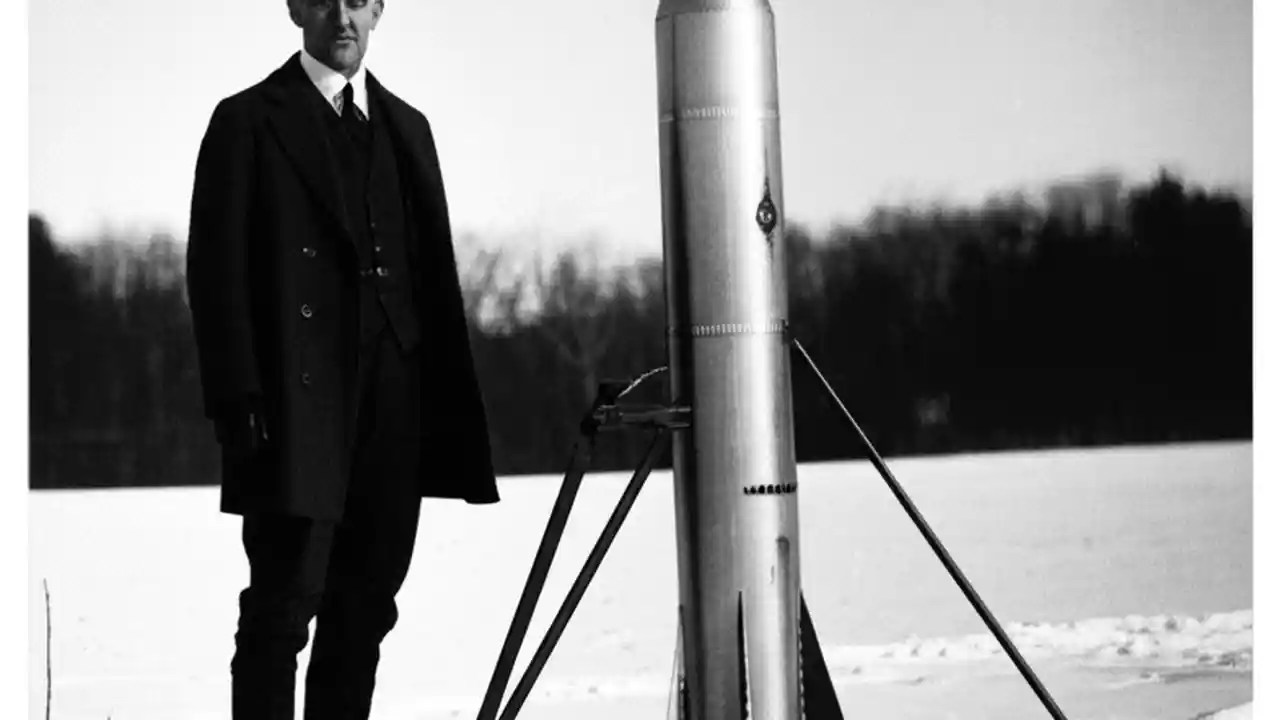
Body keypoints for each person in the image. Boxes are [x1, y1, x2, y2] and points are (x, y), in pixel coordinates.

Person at [185, 0, 500, 717]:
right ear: (296, 8)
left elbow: (430, 284)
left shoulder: (407, 127)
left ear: (380, 9)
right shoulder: (247, 121)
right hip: (298, 417)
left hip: (395, 412)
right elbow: (214, 273)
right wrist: (237, 402)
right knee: (280, 611)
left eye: (358, 0)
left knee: (364, 611)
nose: (342, 17)